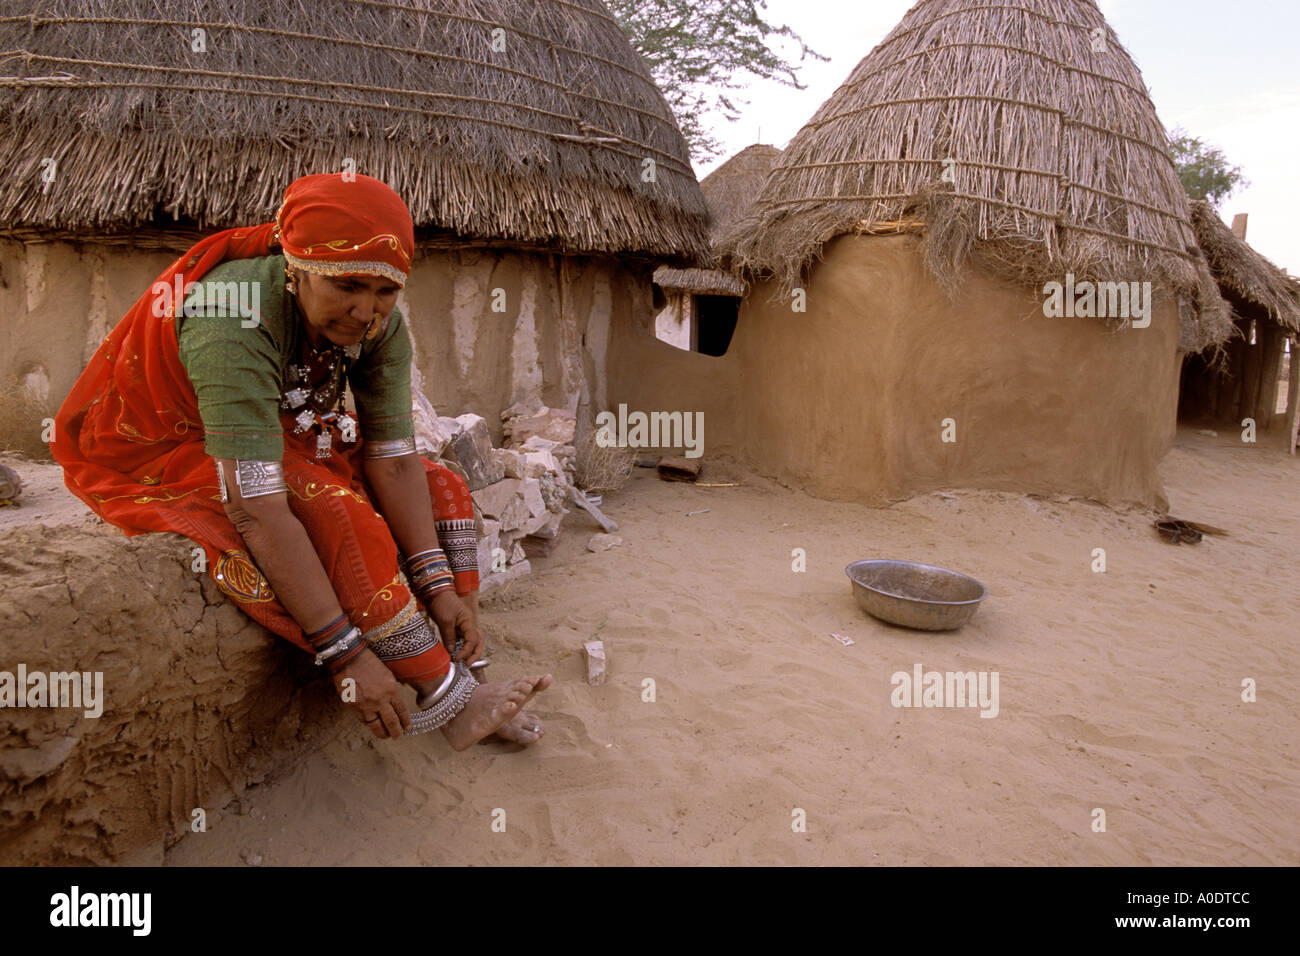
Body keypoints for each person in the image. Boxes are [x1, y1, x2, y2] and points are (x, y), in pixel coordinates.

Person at [52, 172, 551, 747]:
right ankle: (446, 695)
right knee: (341, 513)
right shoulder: (230, 315)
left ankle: (469, 663)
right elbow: (256, 509)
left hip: (286, 432)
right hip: (168, 444)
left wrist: (441, 589)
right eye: (346, 286)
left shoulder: (378, 323)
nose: (365, 311)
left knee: (442, 486)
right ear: (295, 267)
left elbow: (393, 460)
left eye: (385, 292)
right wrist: (345, 657)